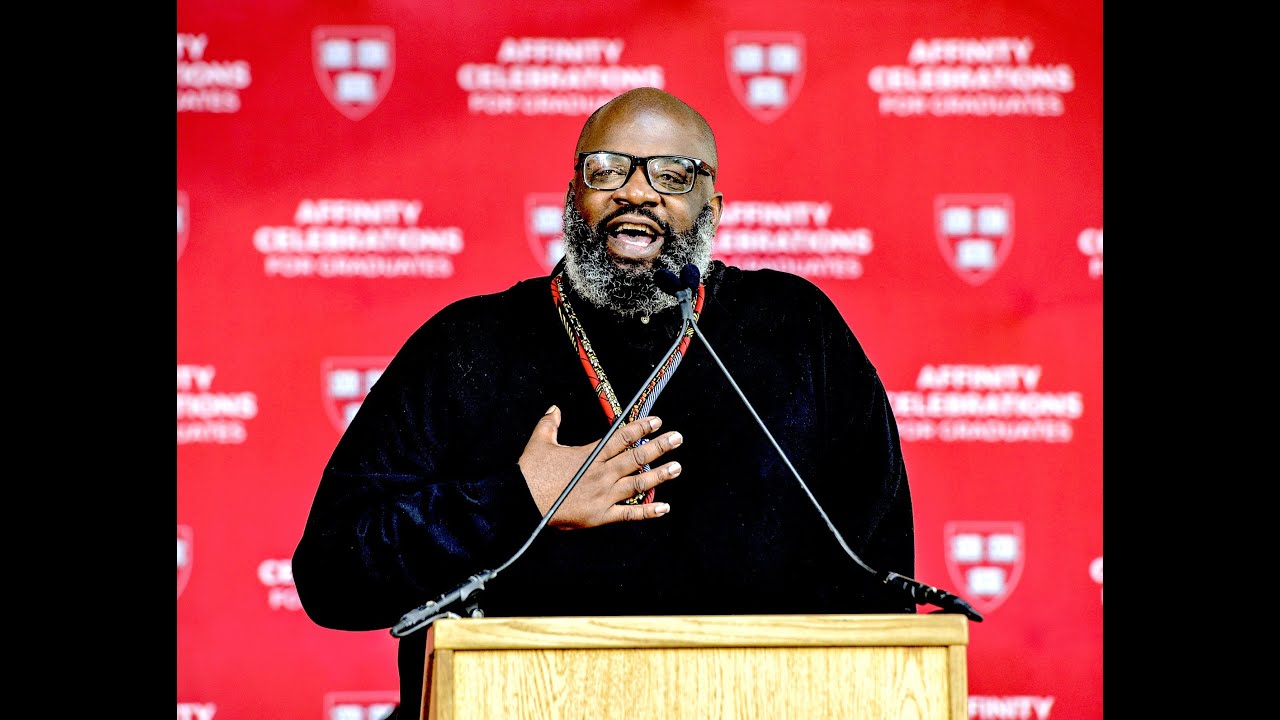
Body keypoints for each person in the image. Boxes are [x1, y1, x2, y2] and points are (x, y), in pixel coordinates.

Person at [292, 86, 915, 719]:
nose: (637, 192)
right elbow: (331, 574)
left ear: (713, 208)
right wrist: (518, 499)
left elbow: (878, 582)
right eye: (607, 169)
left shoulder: (797, 332)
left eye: (674, 175)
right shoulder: (465, 345)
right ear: (573, 196)